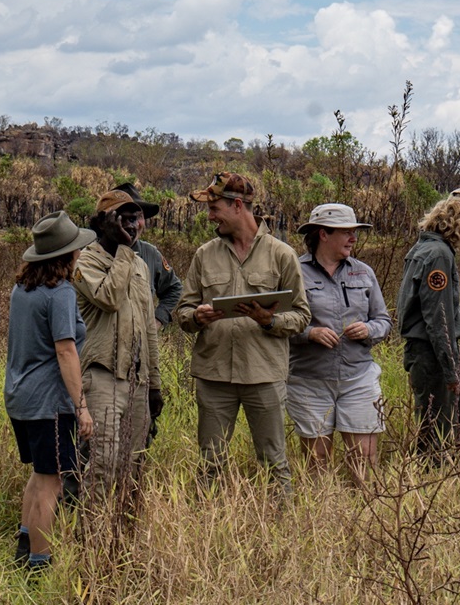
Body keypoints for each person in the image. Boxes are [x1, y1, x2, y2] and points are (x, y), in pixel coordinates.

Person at [175, 172, 310, 498]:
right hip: (214, 374)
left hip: (263, 373)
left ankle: (282, 531)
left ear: (237, 205)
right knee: (210, 461)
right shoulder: (204, 254)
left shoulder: (281, 254)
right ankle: (203, 531)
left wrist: (269, 321)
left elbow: (302, 316)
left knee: (273, 460)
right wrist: (197, 316)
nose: (209, 216)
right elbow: (182, 313)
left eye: (214, 208)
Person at [4, 211, 95, 572]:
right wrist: (82, 406)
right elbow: (65, 350)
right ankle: (39, 566)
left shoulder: (22, 288)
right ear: (66, 255)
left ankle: (24, 545)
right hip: (47, 402)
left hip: (19, 396)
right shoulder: (60, 293)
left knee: (39, 476)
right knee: (51, 484)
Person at [288, 203, 391, 484]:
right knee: (316, 463)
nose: (353, 239)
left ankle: (367, 518)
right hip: (310, 380)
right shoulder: (294, 272)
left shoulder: (364, 273)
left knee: (364, 460)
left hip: (358, 376)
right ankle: (323, 520)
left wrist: (368, 329)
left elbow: (384, 321)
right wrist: (310, 333)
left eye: (353, 232)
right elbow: (278, 323)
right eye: (346, 232)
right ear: (323, 234)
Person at [71, 190, 162, 506]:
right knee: (102, 464)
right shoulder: (86, 262)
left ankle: (123, 542)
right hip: (103, 375)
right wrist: (123, 249)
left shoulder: (139, 265)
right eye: (123, 218)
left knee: (134, 466)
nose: (133, 225)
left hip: (137, 379)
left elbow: (149, 327)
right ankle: (93, 540)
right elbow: (108, 298)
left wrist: (155, 386)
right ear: (102, 223)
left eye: (135, 218)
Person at [397, 188, 460, 459]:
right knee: (438, 437)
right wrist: (451, 371)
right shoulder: (438, 255)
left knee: (453, 427)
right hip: (433, 356)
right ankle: (432, 493)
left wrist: (459, 325)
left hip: (431, 352)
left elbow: (436, 307)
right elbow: (437, 319)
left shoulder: (425, 247)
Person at [110, 182, 182, 331]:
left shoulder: (150, 253)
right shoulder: (91, 254)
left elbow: (173, 288)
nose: (133, 224)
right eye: (125, 217)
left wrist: (158, 320)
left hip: (140, 346)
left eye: (138, 217)